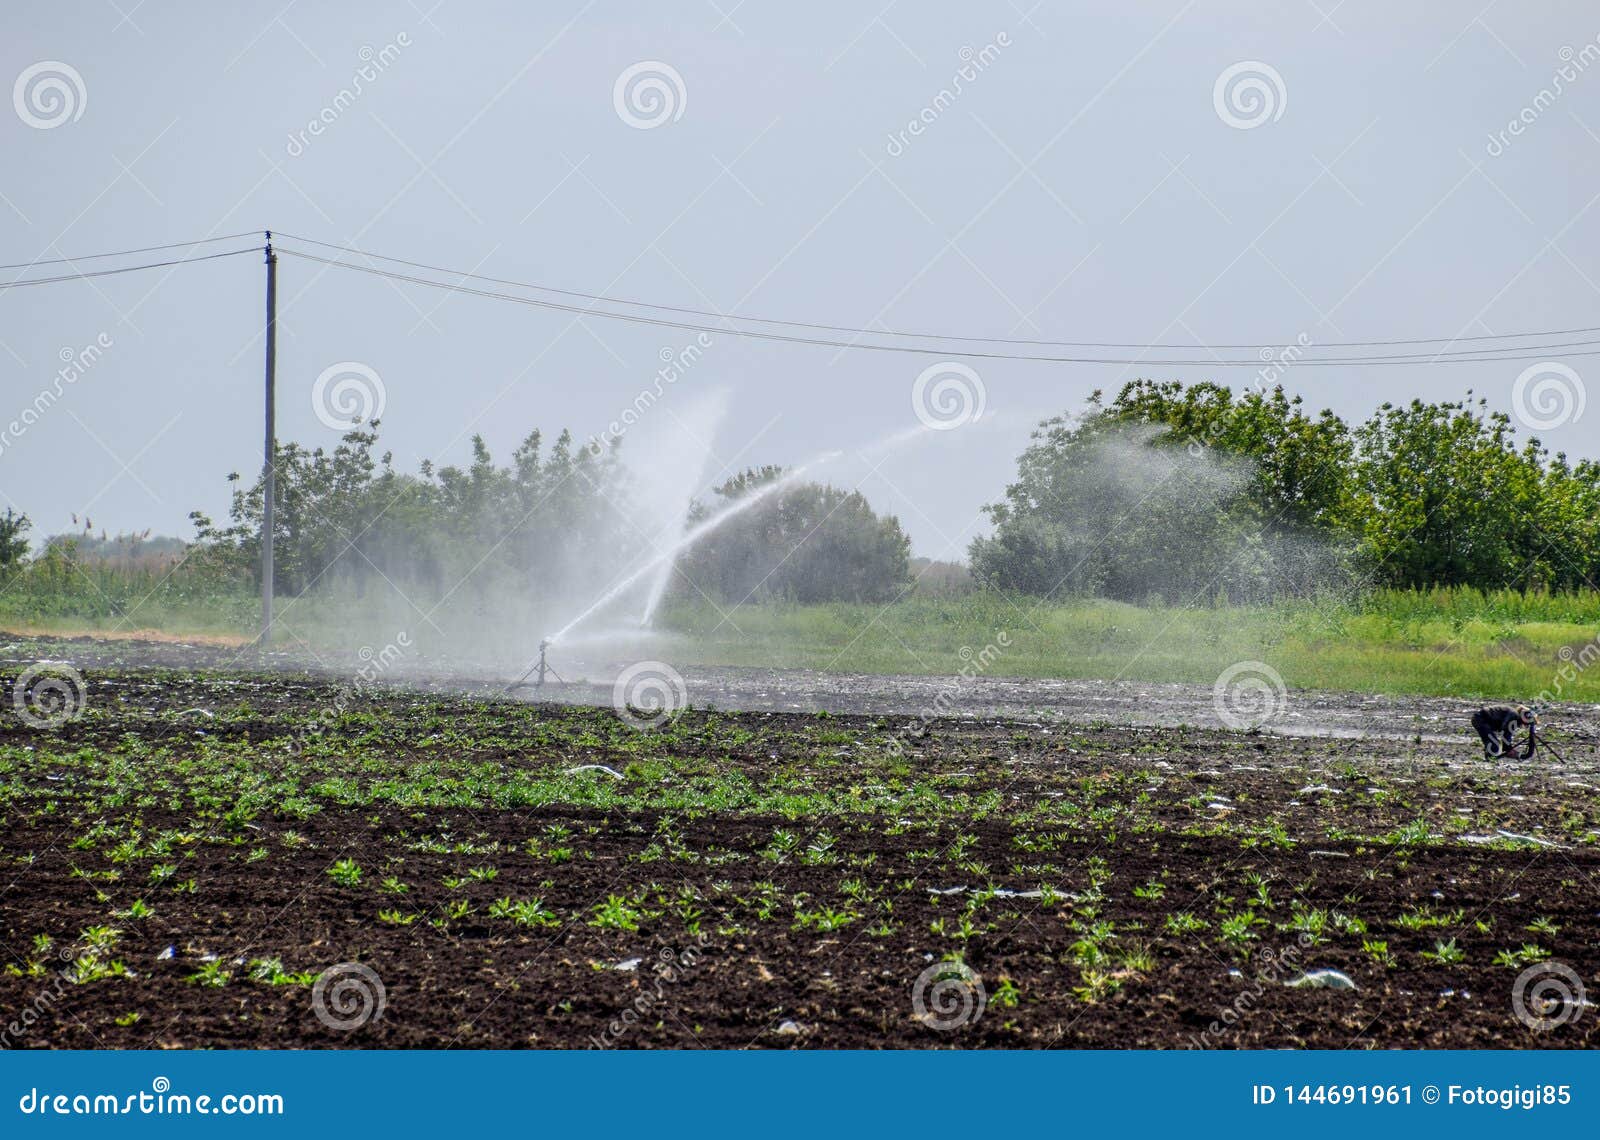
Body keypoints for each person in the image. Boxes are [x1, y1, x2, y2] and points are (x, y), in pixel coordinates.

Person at [1471, 704, 1537, 759]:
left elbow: (1506, 734)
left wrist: (1508, 747)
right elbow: (1506, 732)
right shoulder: (1514, 716)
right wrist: (1509, 749)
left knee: (1493, 744)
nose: (1523, 726)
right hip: (1480, 719)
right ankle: (1490, 759)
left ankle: (1490, 758)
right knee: (1494, 746)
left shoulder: (1514, 715)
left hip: (1481, 719)